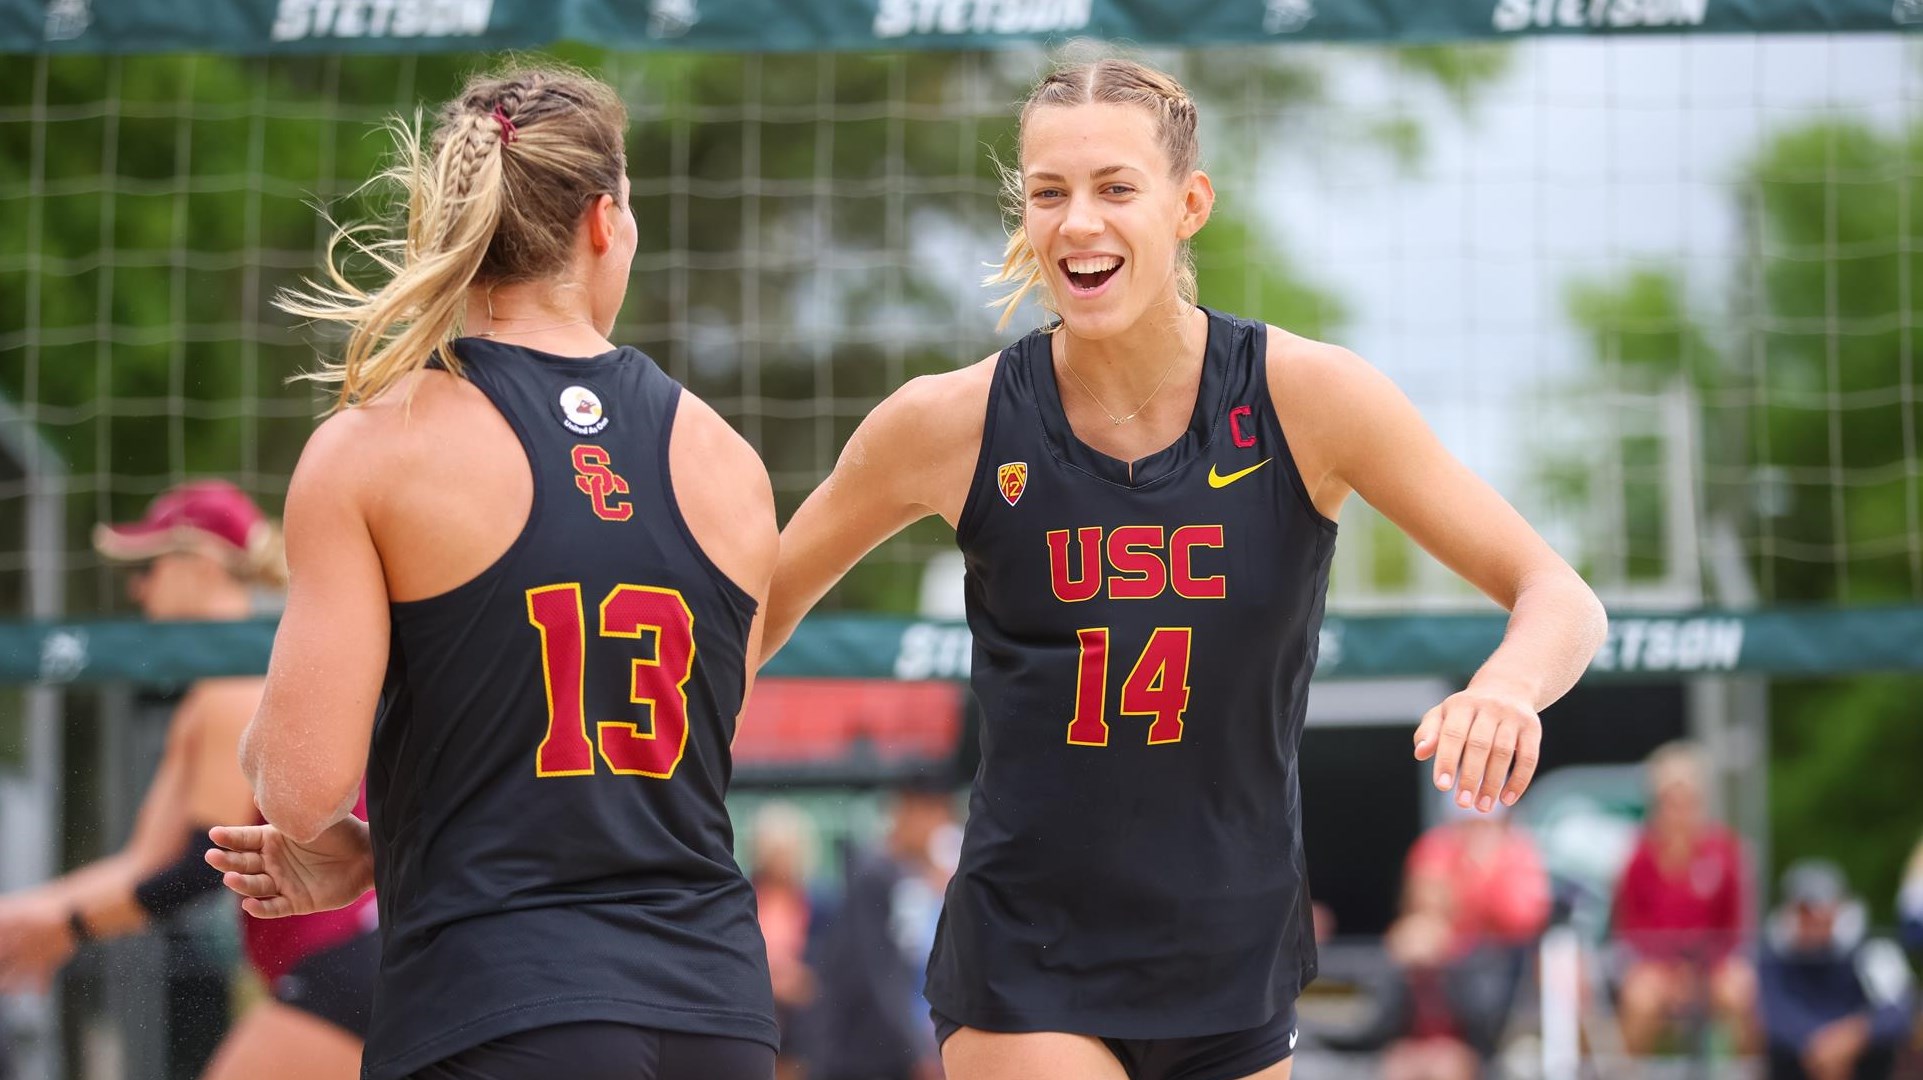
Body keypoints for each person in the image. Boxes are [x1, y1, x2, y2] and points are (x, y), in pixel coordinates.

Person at [761, 52, 1608, 1080]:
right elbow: (756, 604)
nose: (1080, 221)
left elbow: (1559, 594)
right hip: (1029, 950)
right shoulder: (950, 421)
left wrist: (1509, 688)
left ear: (1188, 204)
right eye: (1049, 193)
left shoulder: (1305, 398)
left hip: (1232, 954)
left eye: (1116, 188)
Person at [201, 64, 781, 1080]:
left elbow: (298, 791)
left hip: (498, 1007)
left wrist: (315, 806)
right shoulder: (730, 463)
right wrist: (397, 851)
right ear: (607, 222)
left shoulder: (375, 448)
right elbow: (634, 801)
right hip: (717, 1013)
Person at [0, 481, 376, 1080]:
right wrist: (32, 916)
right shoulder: (228, 680)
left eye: (148, 567)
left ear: (199, 564)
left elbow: (200, 866)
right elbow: (146, 861)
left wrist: (66, 925)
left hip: (353, 955)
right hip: (353, 960)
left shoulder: (239, 682)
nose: (137, 587)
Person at [806, 776, 960, 1080]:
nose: (938, 827)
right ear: (910, 810)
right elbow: (880, 974)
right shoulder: (874, 874)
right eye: (935, 814)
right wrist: (915, 1050)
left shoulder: (909, 875)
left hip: (887, 1049)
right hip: (860, 1053)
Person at [1611, 741, 1758, 1056]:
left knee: (1741, 990)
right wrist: (1670, 971)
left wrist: (1700, 969)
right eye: (1671, 801)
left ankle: (1748, 1070)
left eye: (1687, 801)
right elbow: (1631, 928)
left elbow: (1733, 927)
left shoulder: (1724, 852)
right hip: (1656, 968)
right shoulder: (1639, 856)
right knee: (1639, 997)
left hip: (1711, 966)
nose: (1679, 811)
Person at [1759, 860, 1914, 1080]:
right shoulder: (1773, 958)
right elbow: (1771, 1012)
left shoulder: (1873, 951)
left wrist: (1853, 1036)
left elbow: (1900, 1010)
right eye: (1804, 912)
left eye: (1819, 911)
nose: (1812, 921)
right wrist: (1820, 1047)